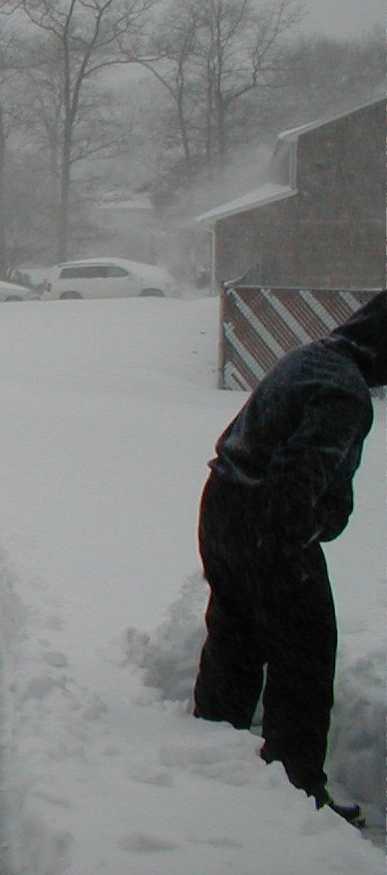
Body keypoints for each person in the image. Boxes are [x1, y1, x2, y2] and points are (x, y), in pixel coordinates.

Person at [192, 290, 385, 823]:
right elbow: (302, 476)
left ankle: (208, 757)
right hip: (267, 525)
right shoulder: (344, 391)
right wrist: (301, 536)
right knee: (305, 657)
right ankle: (297, 795)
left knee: (235, 634)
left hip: (223, 503)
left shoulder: (309, 358)